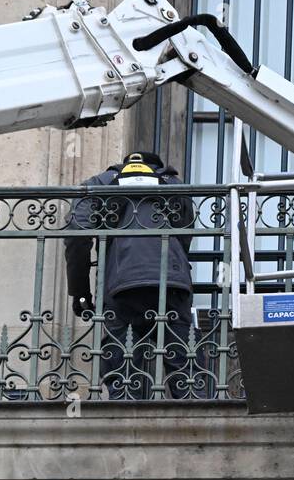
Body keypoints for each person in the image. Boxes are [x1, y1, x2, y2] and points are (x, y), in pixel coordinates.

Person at [65, 152, 196, 399]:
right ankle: (200, 423)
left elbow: (76, 232)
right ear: (156, 166)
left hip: (120, 283)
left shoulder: (100, 183)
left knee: (122, 374)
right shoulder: (174, 184)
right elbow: (185, 233)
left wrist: (80, 290)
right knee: (185, 370)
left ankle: (122, 422)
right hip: (172, 284)